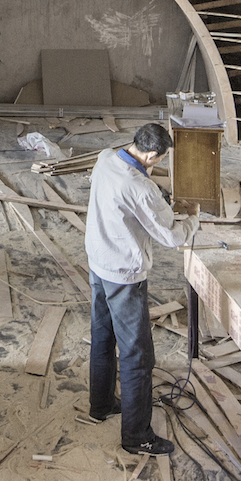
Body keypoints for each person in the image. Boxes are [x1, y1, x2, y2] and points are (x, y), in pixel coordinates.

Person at [83, 121, 197, 457]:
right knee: (137, 355)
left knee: (102, 337)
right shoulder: (140, 187)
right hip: (123, 273)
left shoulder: (106, 157)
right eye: (159, 160)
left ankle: (101, 405)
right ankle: (137, 436)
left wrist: (158, 199)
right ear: (151, 155)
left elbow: (131, 198)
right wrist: (194, 218)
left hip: (98, 261)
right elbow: (170, 236)